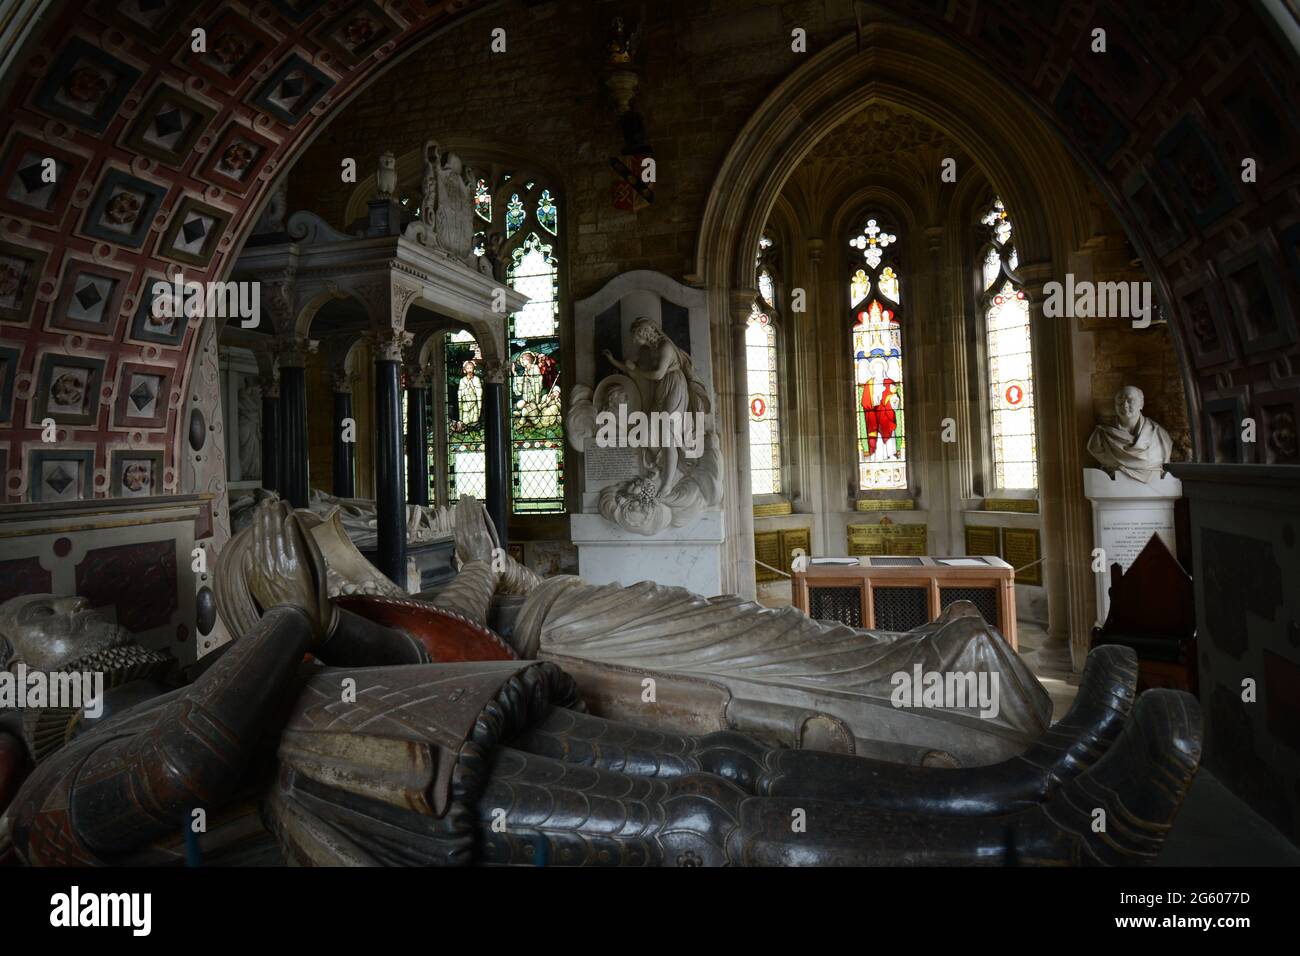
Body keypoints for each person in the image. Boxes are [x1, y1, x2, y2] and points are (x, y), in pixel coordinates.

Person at [0, 502, 1202, 867]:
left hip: (448, 708)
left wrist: (324, 631)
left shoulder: (125, 706)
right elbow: (185, 766)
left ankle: (1041, 784)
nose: (73, 633)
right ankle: (1033, 831)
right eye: (54, 639)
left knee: (733, 760)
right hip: (389, 779)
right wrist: (288, 641)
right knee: (711, 804)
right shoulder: (47, 804)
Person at [602, 318, 710, 494]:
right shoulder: (649, 349)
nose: (634, 341)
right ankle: (660, 466)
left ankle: (668, 483)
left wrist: (637, 371)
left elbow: (659, 374)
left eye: (635, 337)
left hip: (674, 386)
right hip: (662, 388)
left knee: (669, 435)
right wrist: (613, 361)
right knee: (649, 430)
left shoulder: (665, 347)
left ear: (644, 333)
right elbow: (631, 368)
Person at [1086, 385, 1173, 482]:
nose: (1124, 405)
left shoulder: (1160, 435)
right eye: (1120, 401)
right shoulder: (1101, 435)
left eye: (1130, 400)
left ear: (1141, 404)